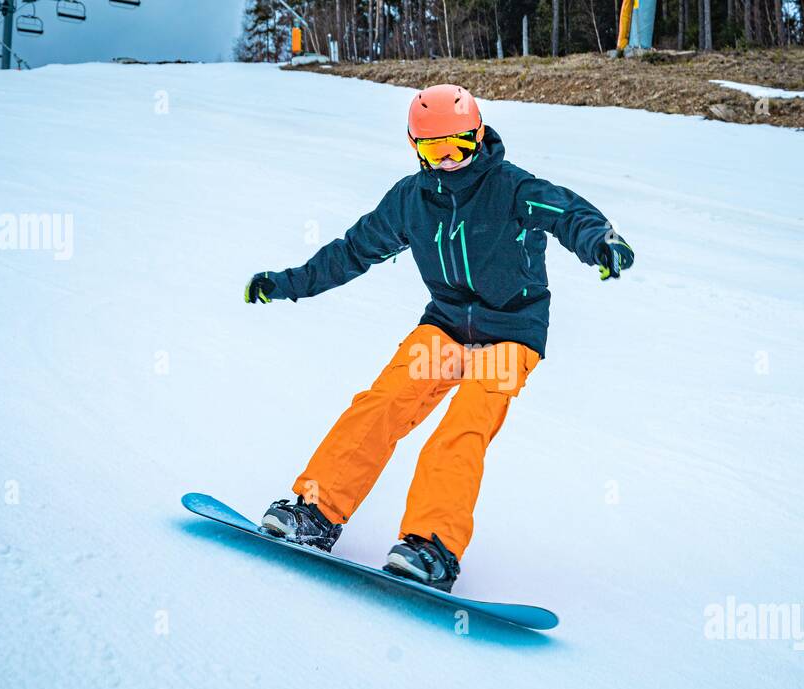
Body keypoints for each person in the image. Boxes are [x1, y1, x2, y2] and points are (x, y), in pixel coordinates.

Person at [245, 84, 633, 592]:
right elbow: (351, 252)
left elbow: (570, 213)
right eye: (433, 150)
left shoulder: (514, 188)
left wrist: (601, 241)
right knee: (382, 404)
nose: (447, 160)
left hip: (511, 334)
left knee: (464, 424)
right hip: (446, 326)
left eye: (458, 146)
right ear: (415, 147)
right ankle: (315, 514)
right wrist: (287, 283)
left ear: (478, 135)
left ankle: (431, 546)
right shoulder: (412, 199)